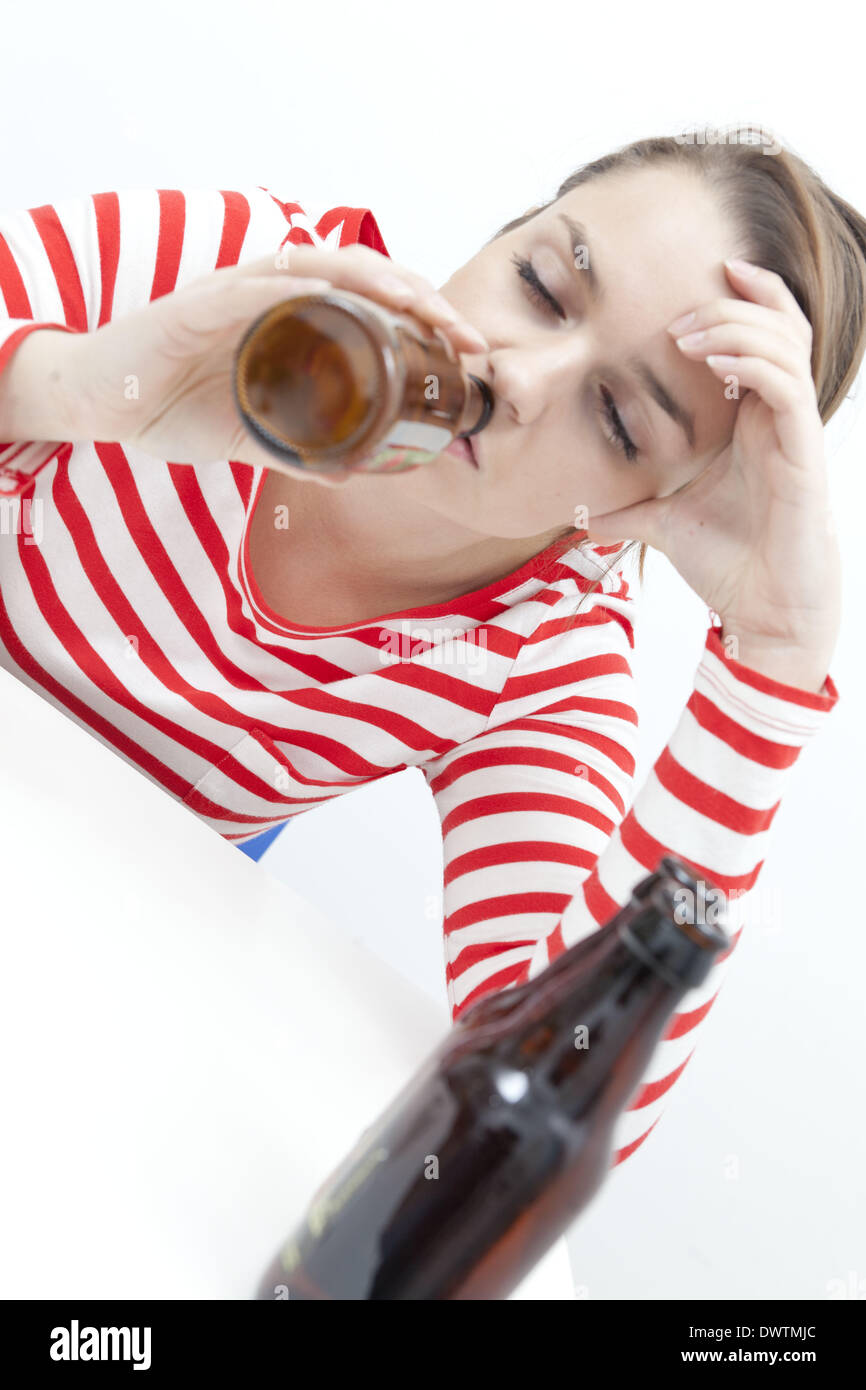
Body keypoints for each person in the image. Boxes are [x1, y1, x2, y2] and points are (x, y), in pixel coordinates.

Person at [0, 126, 858, 1166]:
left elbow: (561, 1087)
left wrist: (768, 664)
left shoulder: (541, 651)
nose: (519, 377)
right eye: (542, 283)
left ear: (649, 503)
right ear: (502, 235)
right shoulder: (237, 276)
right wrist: (85, 388)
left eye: (618, 422)